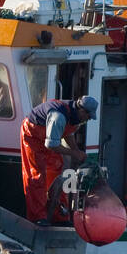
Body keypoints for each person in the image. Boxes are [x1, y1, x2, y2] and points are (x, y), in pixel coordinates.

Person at [20, 95, 98, 224]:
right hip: (32, 136)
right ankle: (38, 217)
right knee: (37, 177)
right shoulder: (59, 116)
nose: (88, 120)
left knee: (57, 172)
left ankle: (59, 216)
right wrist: (73, 153)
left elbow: (67, 133)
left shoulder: (74, 117)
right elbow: (51, 145)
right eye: (89, 116)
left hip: (49, 138)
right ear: (82, 111)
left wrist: (76, 150)